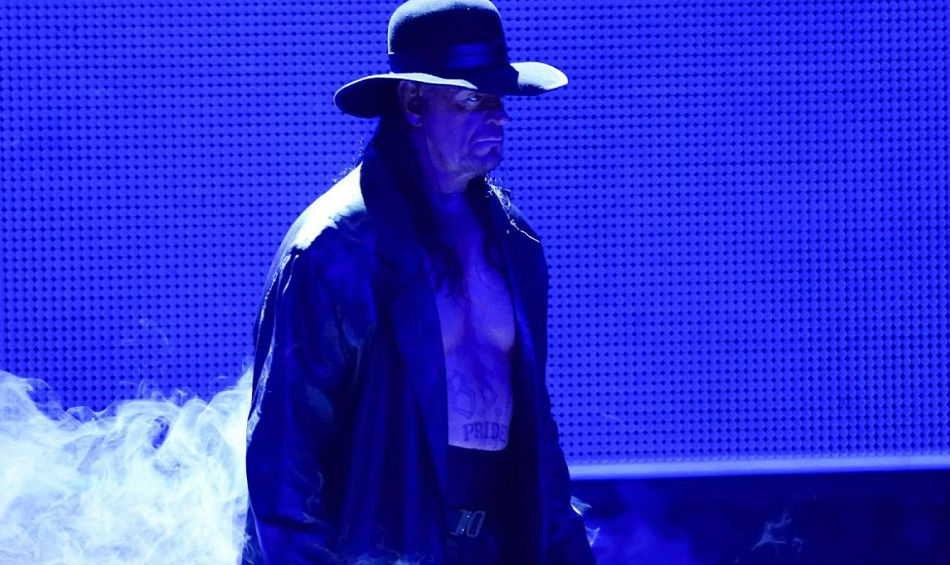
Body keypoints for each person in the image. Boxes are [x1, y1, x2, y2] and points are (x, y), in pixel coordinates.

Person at [241, 0, 594, 563]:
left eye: (499, 98)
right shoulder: (335, 250)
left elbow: (536, 427)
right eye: (472, 99)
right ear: (412, 101)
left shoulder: (515, 243)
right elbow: (285, 450)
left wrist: (567, 550)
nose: (498, 116)